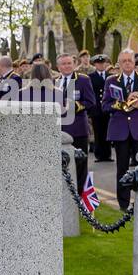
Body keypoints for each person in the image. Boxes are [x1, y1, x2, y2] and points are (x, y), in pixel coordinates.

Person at [102, 49, 138, 208]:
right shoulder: (111, 80)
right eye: (124, 60)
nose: (127, 63)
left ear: (135, 62)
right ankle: (123, 204)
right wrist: (125, 103)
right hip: (120, 131)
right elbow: (105, 105)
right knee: (122, 169)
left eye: (130, 60)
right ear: (118, 63)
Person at [55, 53, 96, 193]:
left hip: (78, 129)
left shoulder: (83, 80)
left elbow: (91, 102)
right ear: (58, 67)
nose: (67, 66)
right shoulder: (55, 81)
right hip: (59, 130)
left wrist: (73, 105)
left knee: (80, 164)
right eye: (63, 64)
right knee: (62, 164)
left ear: (73, 64)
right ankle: (64, 193)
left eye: (69, 63)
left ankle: (80, 196)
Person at [87, 54, 113, 162]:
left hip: (107, 108)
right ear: (95, 64)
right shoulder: (91, 77)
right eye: (98, 63)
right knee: (98, 132)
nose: (101, 65)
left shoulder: (110, 76)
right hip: (97, 108)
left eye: (103, 63)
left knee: (108, 132)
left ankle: (107, 154)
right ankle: (99, 154)